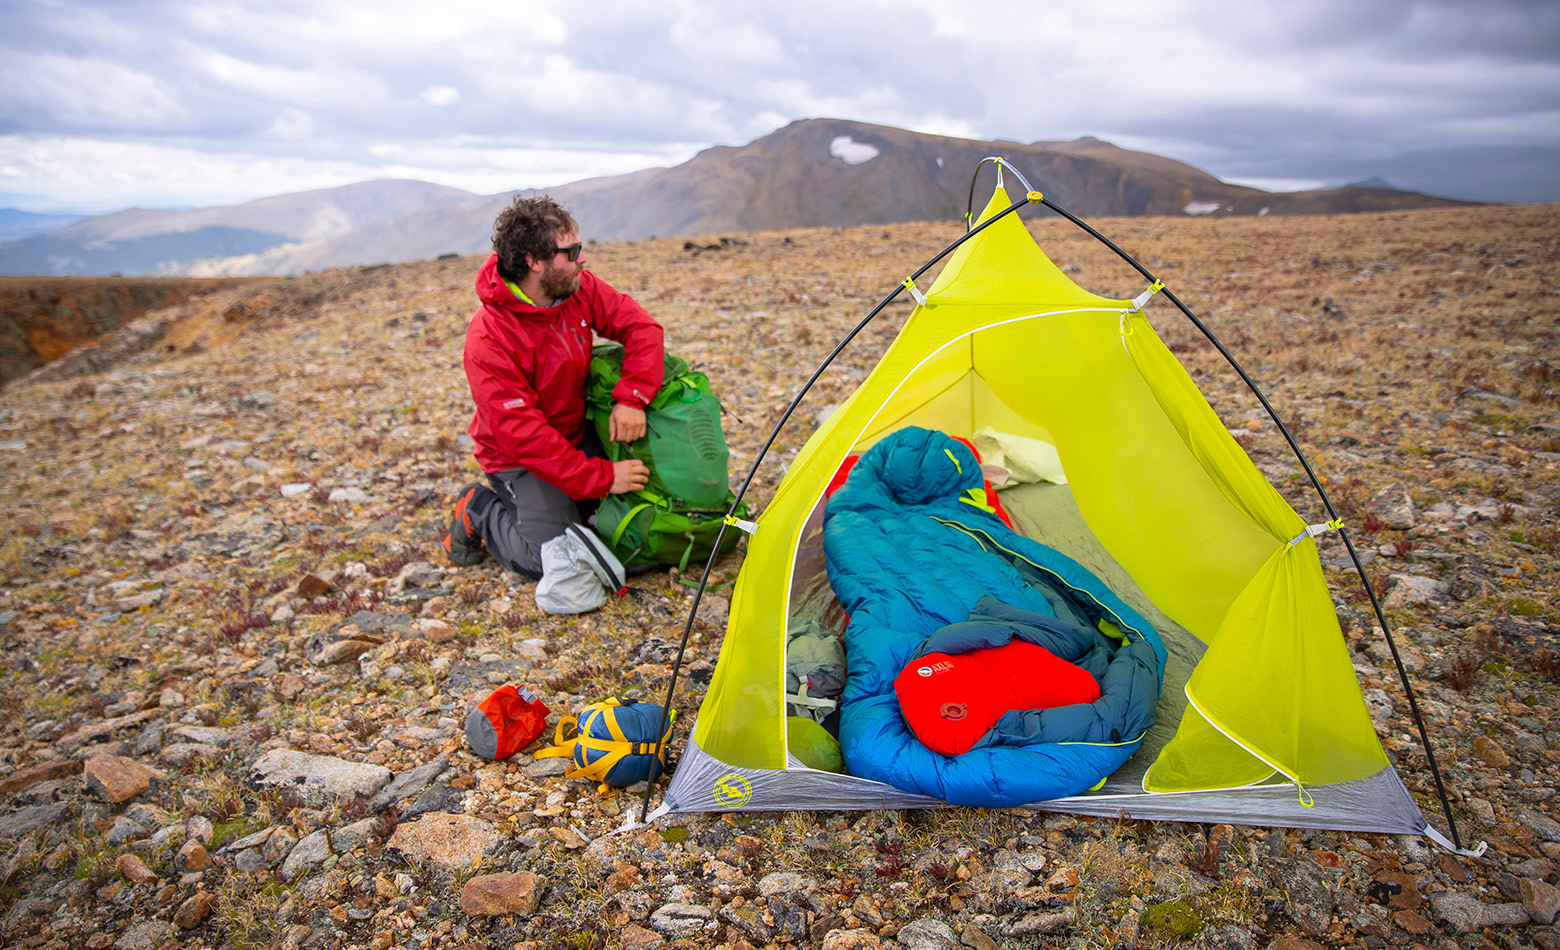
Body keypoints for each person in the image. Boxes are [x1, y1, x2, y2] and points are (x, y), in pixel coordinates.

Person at [442, 195, 664, 577]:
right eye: (572, 251)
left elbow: (642, 328)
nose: (583, 259)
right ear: (534, 260)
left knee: (640, 520)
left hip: (577, 433)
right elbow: (523, 436)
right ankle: (477, 509)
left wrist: (632, 397)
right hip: (518, 458)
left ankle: (574, 502)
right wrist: (602, 478)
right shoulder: (489, 337)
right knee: (552, 559)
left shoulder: (579, 289)